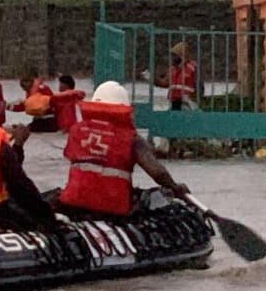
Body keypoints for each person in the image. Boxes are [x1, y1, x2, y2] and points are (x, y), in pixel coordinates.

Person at [59, 81, 190, 217]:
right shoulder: (131, 138)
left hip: (73, 202)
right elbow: (157, 173)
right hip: (112, 207)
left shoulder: (76, 130)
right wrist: (175, 188)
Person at [8, 75, 87, 133]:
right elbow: (27, 106)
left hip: (48, 122)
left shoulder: (42, 90)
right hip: (46, 122)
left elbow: (48, 103)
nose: (24, 89)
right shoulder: (33, 93)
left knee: (23, 131)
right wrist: (7, 106)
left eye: (24, 87)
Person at [150, 42, 199, 111]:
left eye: (175, 55)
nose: (173, 57)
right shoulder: (173, 69)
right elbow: (164, 83)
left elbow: (199, 85)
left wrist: (194, 98)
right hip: (174, 102)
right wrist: (152, 79)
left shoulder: (192, 67)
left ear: (182, 55)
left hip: (188, 103)